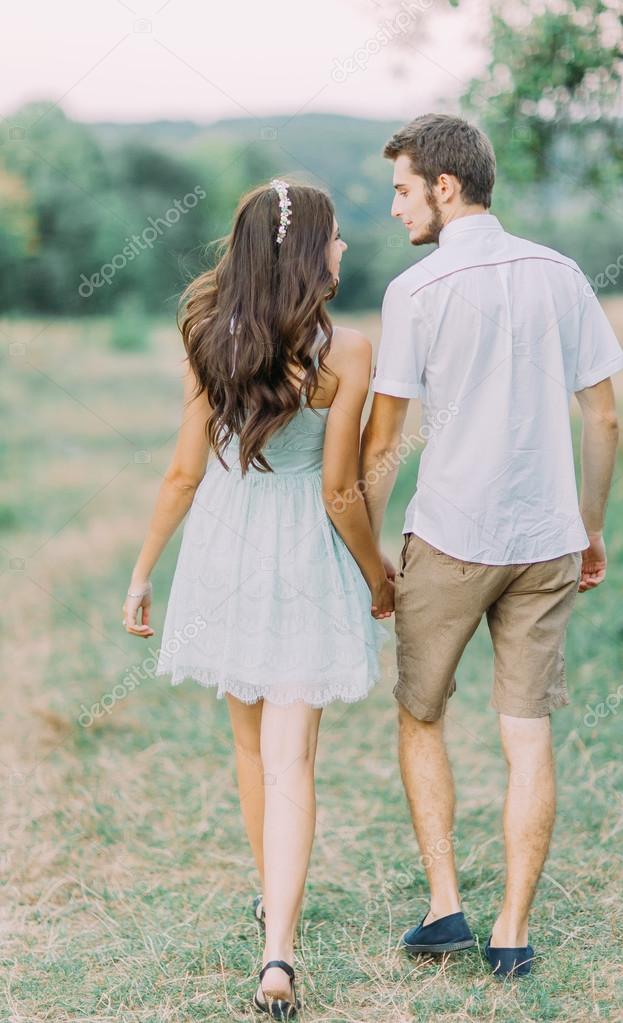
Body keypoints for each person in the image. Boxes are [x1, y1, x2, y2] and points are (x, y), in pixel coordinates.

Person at [360, 114, 623, 980]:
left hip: (450, 536)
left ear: (445, 186)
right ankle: (511, 930)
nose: (396, 208)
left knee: (420, 713)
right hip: (547, 540)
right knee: (528, 733)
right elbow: (605, 415)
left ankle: (446, 907)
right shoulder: (562, 273)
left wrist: (369, 551)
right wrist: (588, 528)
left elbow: (383, 443)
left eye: (403, 189)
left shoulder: (416, 292)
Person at [121, 179, 394, 1018]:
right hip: (304, 556)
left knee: (251, 752)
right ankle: (279, 949)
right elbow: (342, 490)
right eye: (338, 238)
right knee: (292, 761)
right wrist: (378, 575)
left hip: (224, 552)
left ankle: (271, 909)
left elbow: (182, 472)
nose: (345, 249)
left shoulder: (208, 333)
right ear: (310, 253)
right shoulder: (347, 348)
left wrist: (143, 571)